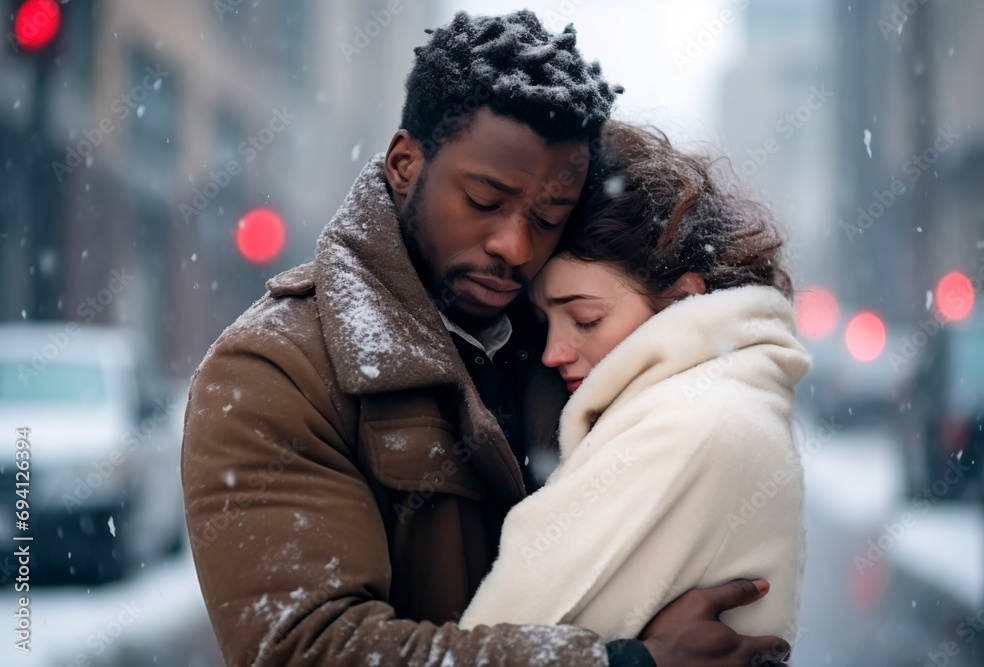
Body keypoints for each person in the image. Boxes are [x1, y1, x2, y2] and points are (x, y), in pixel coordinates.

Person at [181, 11, 792, 667]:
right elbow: (311, 650)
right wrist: (618, 662)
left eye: (548, 217)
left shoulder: (566, 333)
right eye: (483, 201)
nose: (515, 246)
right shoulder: (274, 369)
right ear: (404, 164)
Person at [458, 121, 811, 649]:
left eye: (586, 319)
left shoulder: (686, 427)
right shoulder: (733, 397)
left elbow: (488, 647)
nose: (553, 353)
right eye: (545, 321)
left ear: (682, 299)